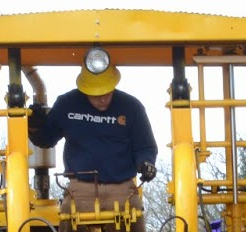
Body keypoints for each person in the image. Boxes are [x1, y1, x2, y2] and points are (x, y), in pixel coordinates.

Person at [29, 63, 157, 214]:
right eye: (96, 94)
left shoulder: (131, 107)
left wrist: (146, 163)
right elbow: (46, 139)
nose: (102, 99)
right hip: (80, 189)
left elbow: (145, 147)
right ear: (84, 89)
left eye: (107, 93)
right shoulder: (67, 104)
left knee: (135, 230)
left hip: (122, 190)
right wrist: (34, 126)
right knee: (67, 230)